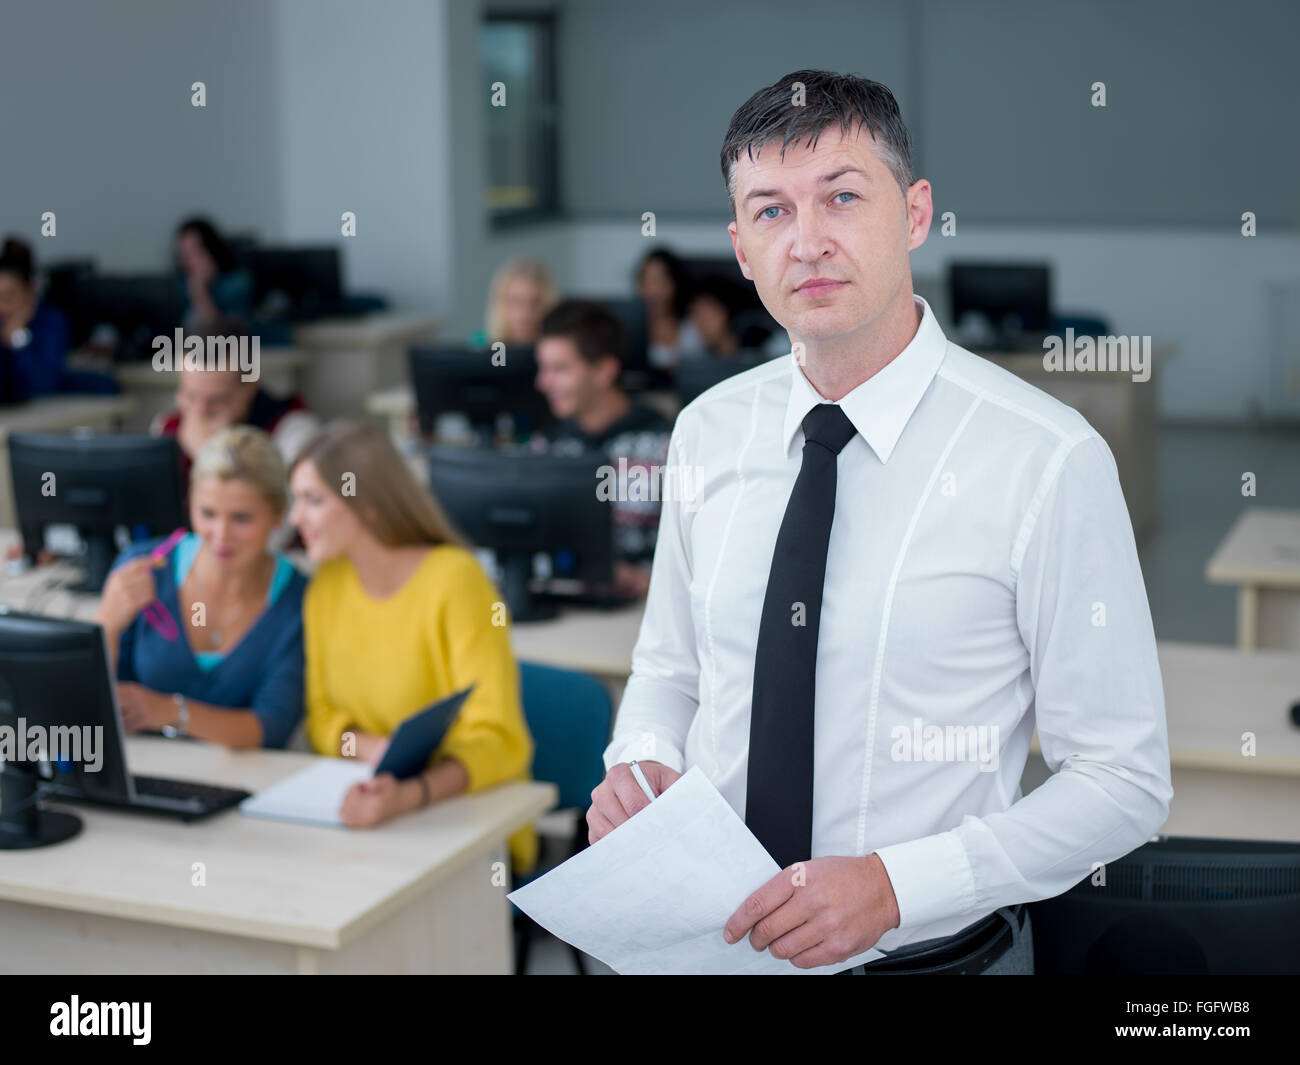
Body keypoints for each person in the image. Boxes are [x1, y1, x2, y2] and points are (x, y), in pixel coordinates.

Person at [588, 70, 1171, 975]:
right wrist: (639, 761)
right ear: (741, 247)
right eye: (772, 212)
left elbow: (1123, 783)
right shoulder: (707, 430)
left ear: (914, 213)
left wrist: (900, 884)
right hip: (708, 949)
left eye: (843, 197)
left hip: (932, 963)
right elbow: (669, 668)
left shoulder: (1047, 459)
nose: (808, 241)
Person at [288, 420, 538, 872]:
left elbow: (502, 742)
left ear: (366, 505)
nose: (295, 519)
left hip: (468, 818)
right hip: (374, 810)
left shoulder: (455, 581)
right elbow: (322, 720)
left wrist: (408, 794)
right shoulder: (326, 586)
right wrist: (368, 750)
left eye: (312, 501)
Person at [95, 426, 306, 749]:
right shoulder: (143, 568)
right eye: (207, 513)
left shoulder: (298, 600)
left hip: (240, 781)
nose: (221, 535)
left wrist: (170, 711)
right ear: (190, 503)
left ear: (278, 516)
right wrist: (106, 627)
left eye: (241, 518)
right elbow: (95, 704)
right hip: (145, 769)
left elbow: (272, 725)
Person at [534, 299, 672, 599]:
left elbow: (703, 551)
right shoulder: (546, 446)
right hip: (562, 602)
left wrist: (648, 580)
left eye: (559, 369)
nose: (543, 383)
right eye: (543, 368)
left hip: (644, 612)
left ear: (604, 371)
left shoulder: (668, 446)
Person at [152, 317, 320, 503]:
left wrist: (210, 456)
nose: (200, 411)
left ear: (250, 386)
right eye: (190, 396)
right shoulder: (167, 428)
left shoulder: (292, 433)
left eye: (215, 400)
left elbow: (279, 526)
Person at [0, 236, 71, 402]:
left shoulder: (51, 322)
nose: (1, 307)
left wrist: (18, 339)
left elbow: (43, 386)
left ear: (31, 291)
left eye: (9, 297)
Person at [175, 216, 253, 330]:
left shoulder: (237, 284)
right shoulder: (180, 285)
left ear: (211, 250)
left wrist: (199, 288)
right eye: (183, 255)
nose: (187, 262)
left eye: (193, 253)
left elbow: (220, 335)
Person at [636, 247, 704, 372]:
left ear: (675, 283)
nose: (651, 291)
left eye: (659, 281)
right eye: (645, 281)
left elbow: (728, 356)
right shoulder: (634, 327)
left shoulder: (695, 321)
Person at [481, 256, 559, 346]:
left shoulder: (561, 356)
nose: (525, 313)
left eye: (535, 303)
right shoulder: (484, 353)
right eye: (515, 301)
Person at [686, 275, 745, 357]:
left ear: (724, 312)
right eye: (696, 317)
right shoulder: (693, 356)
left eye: (706, 317)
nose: (701, 324)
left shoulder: (761, 348)